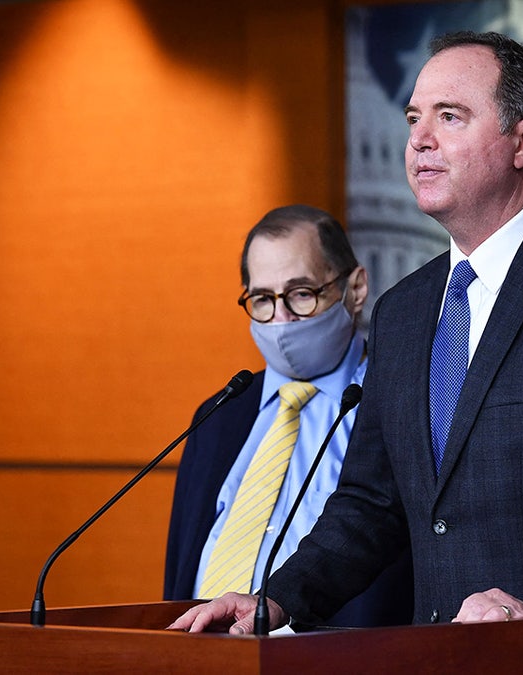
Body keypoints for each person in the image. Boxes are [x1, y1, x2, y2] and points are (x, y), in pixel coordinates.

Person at [169, 31, 523, 675]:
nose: (419, 139)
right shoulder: (404, 312)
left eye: (450, 117)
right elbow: (369, 505)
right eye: (414, 118)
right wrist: (276, 599)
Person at [164, 205, 412, 627]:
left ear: (354, 289)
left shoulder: (400, 406)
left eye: (301, 294)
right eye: (262, 299)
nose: (280, 320)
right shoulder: (218, 416)